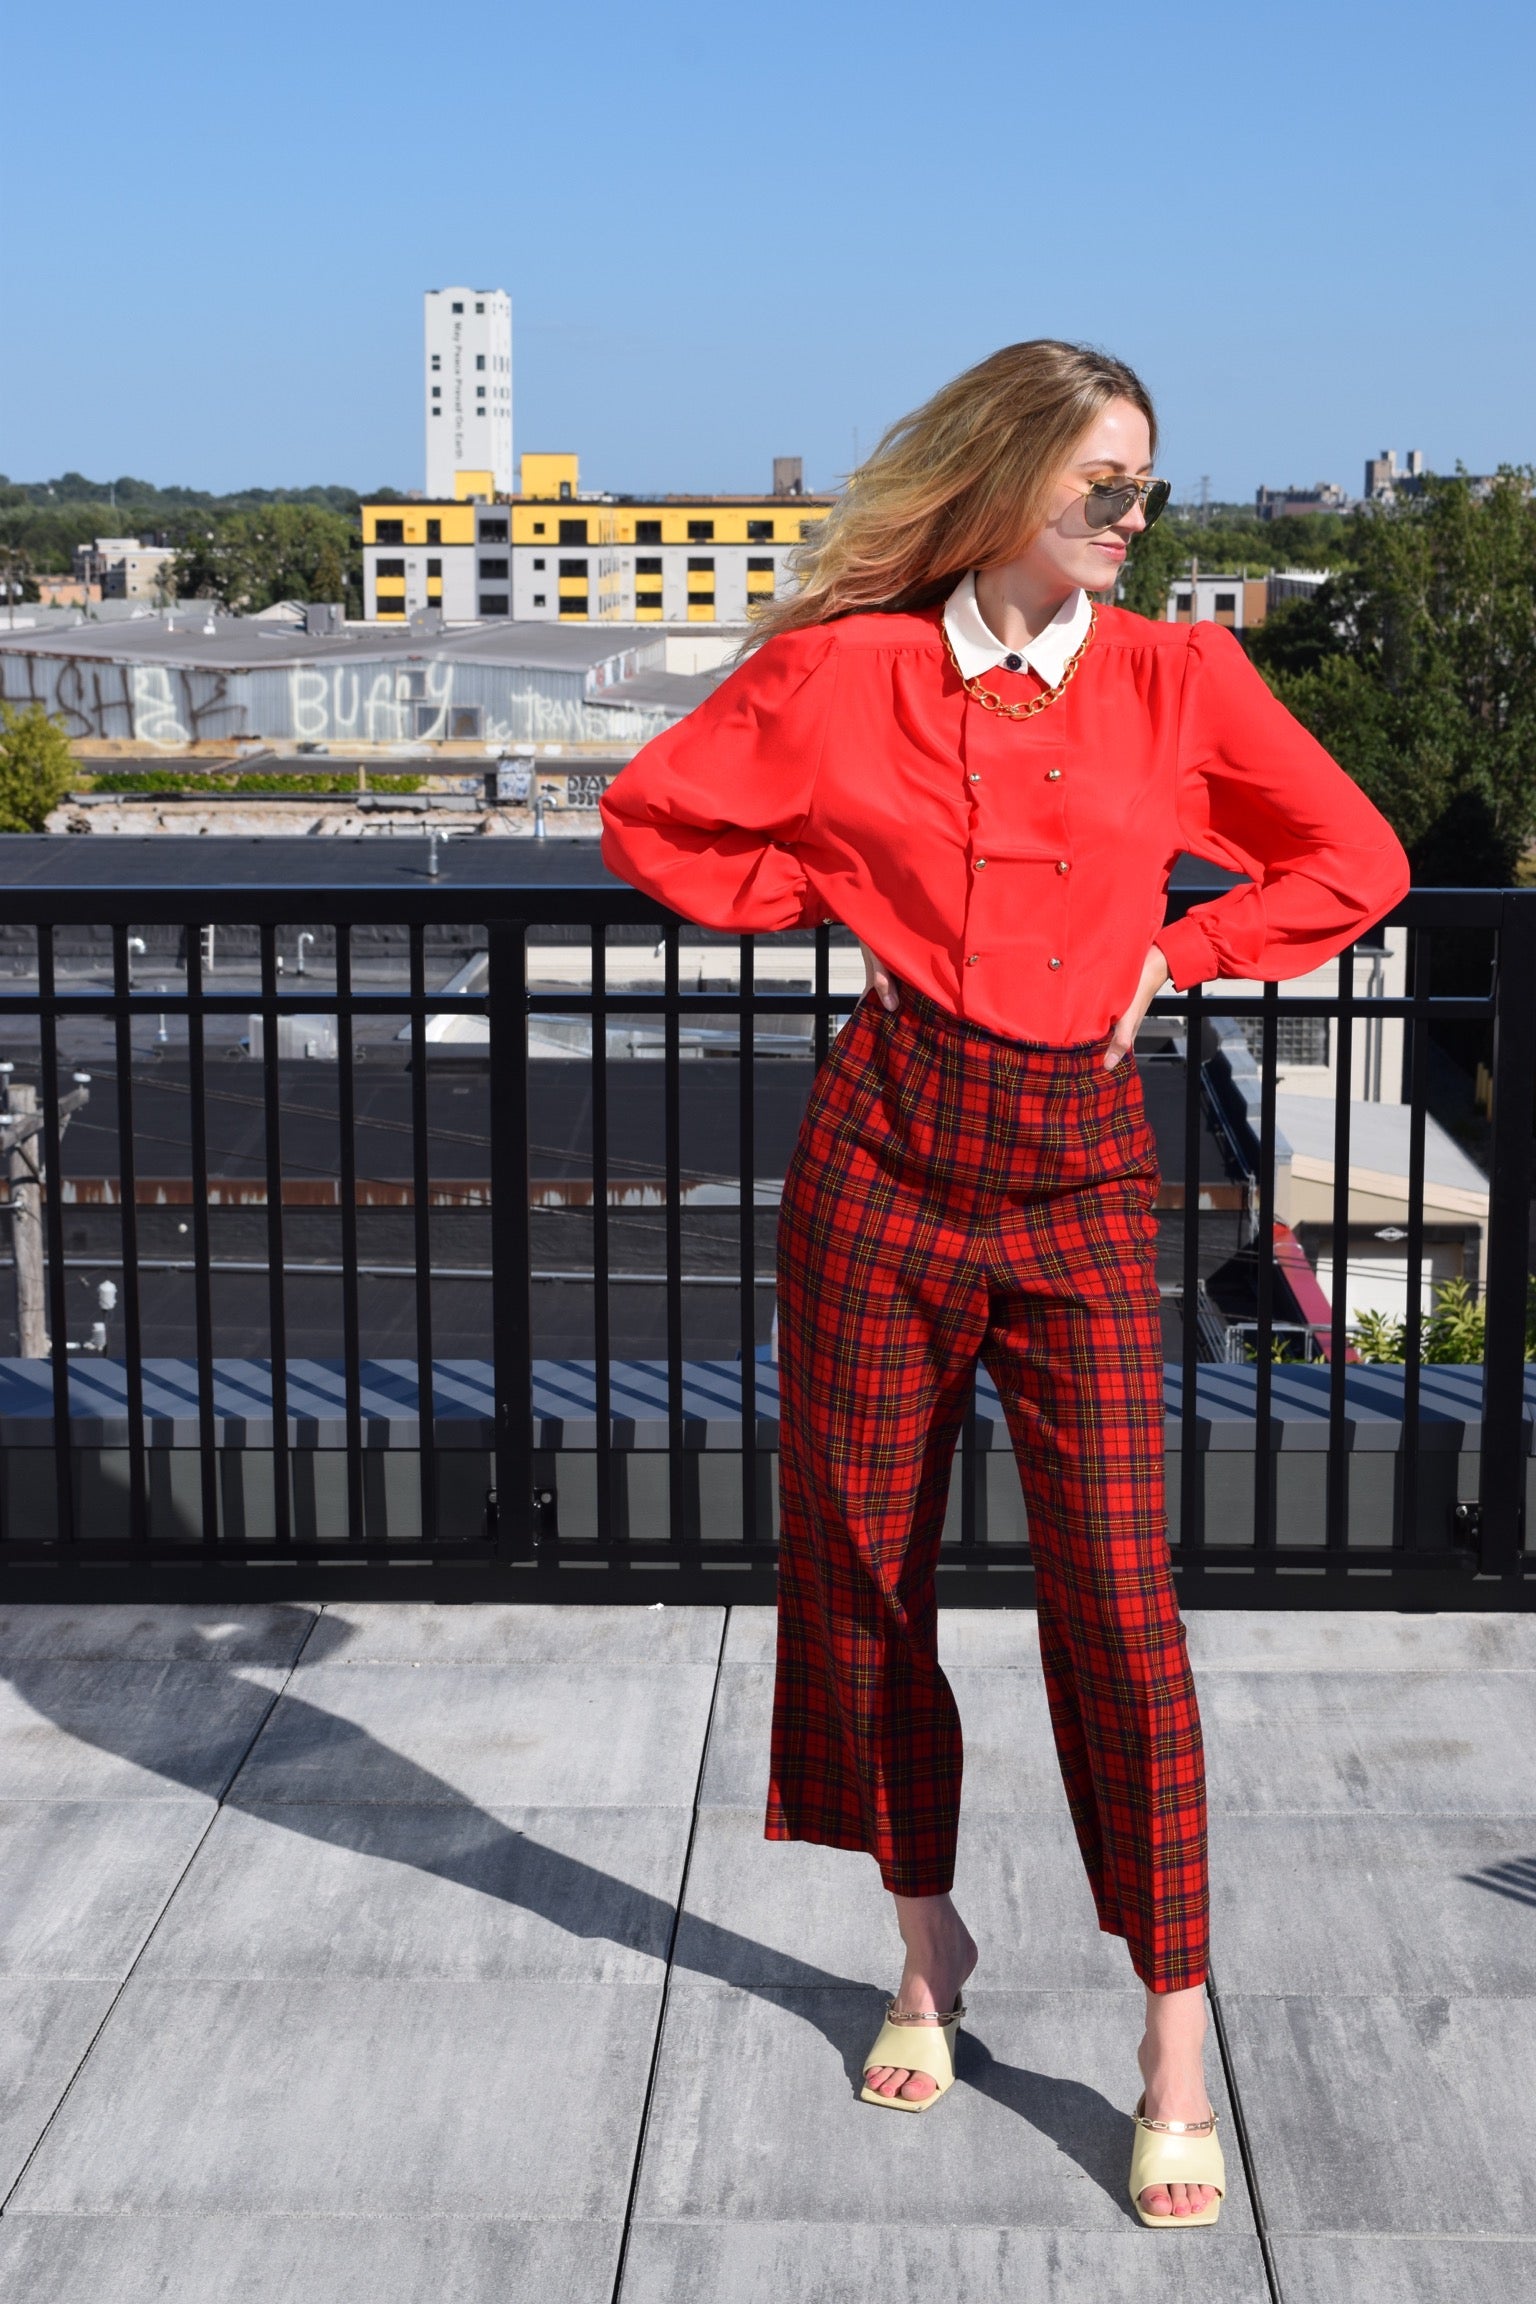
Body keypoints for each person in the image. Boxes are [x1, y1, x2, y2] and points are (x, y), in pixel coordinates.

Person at [599, 340, 1410, 2227]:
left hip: (1079, 1169)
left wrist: (1187, 958)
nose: (1135, 519)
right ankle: (923, 1951)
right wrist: (839, 900)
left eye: (1149, 488)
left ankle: (1174, 2040)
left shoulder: (1177, 675)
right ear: (1005, 482)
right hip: (881, 1151)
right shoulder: (846, 671)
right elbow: (656, 819)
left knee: (1119, 1607)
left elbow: (1350, 859)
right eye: (1101, 487)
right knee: (868, 1576)